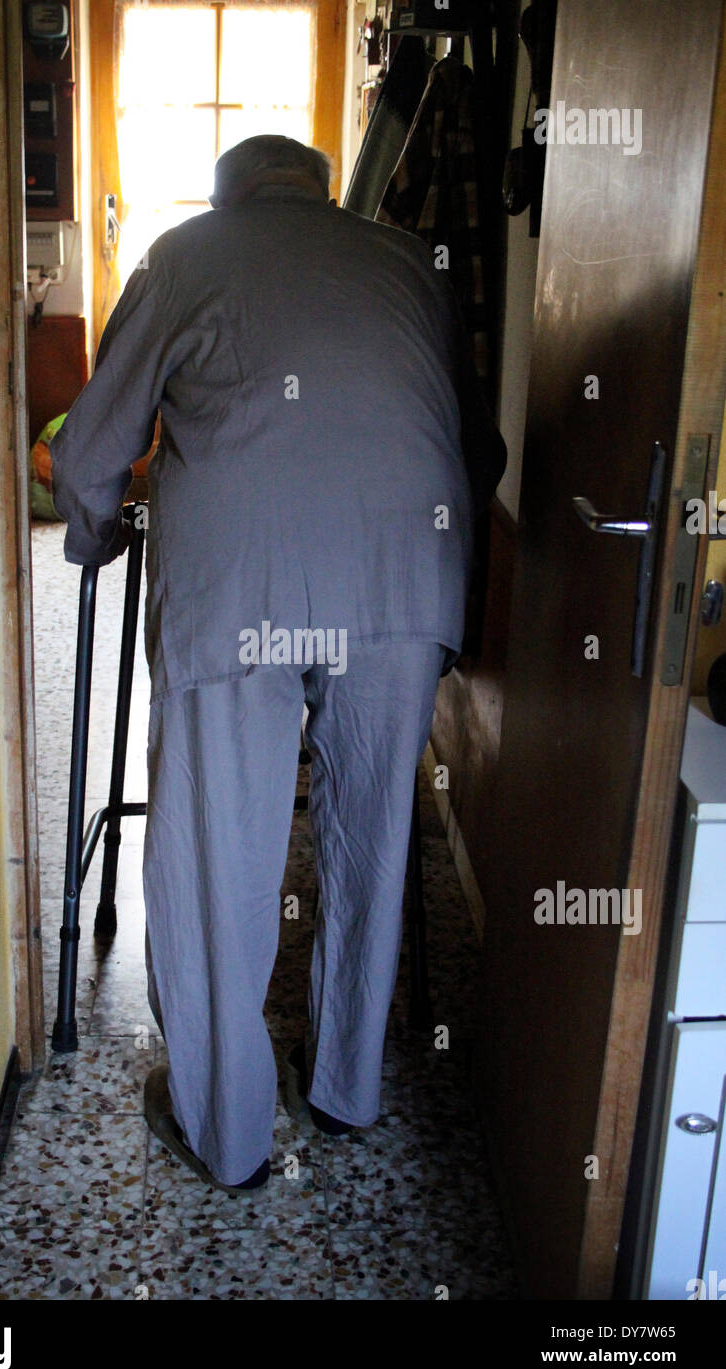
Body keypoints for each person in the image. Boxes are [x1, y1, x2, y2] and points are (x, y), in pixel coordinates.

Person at [51, 134, 505, 1195]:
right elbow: (474, 452)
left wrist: (93, 535)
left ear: (227, 195)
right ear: (324, 193)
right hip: (402, 576)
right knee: (370, 832)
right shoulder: (403, 262)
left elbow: (85, 454)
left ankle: (228, 1134)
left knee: (221, 855)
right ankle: (345, 1088)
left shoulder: (183, 253)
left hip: (236, 586)